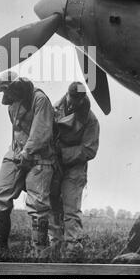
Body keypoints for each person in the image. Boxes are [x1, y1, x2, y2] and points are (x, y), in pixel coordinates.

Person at [0, 71, 55, 259]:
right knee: (0, 197)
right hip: (16, 153)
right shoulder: (12, 104)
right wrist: (18, 154)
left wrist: (26, 152)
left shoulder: (40, 99)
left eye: (7, 90)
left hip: (40, 157)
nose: (5, 96)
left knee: (38, 205)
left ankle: (40, 250)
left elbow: (41, 132)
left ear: (16, 88)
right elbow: (17, 132)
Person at [49, 82, 100, 261]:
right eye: (72, 98)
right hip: (55, 164)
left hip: (75, 167)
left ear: (83, 99)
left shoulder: (91, 120)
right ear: (68, 95)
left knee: (71, 207)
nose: (73, 103)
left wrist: (63, 153)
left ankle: (73, 248)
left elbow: (89, 150)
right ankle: (54, 245)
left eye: (78, 100)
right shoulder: (55, 108)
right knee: (52, 204)